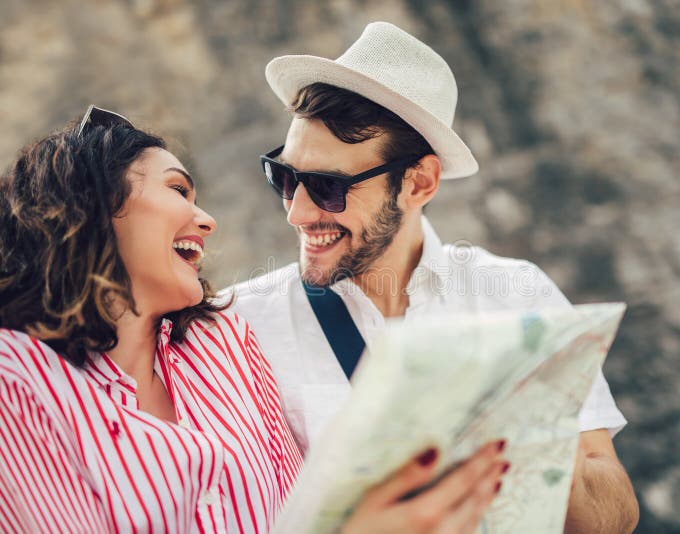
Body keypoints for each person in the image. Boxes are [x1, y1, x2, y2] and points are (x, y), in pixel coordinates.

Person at [0, 107, 508, 533]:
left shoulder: (225, 343)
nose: (206, 220)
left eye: (328, 185)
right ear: (90, 204)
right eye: (177, 190)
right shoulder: (18, 378)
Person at [228, 21, 639, 533]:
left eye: (328, 187)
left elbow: (615, 518)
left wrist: (531, 425)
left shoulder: (518, 293)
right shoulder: (237, 326)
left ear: (419, 182)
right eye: (285, 178)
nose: (297, 212)